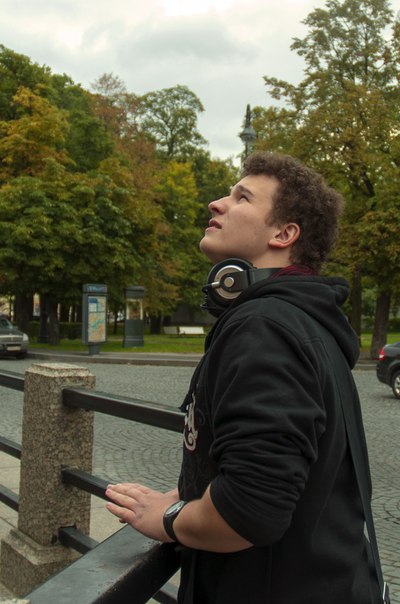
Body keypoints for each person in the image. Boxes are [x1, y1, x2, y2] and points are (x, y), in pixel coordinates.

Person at [105, 152, 381, 603]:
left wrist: (169, 518)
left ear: (283, 234)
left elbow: (250, 513)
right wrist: (199, 493)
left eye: (242, 197)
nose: (217, 203)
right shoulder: (303, 322)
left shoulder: (265, 327)